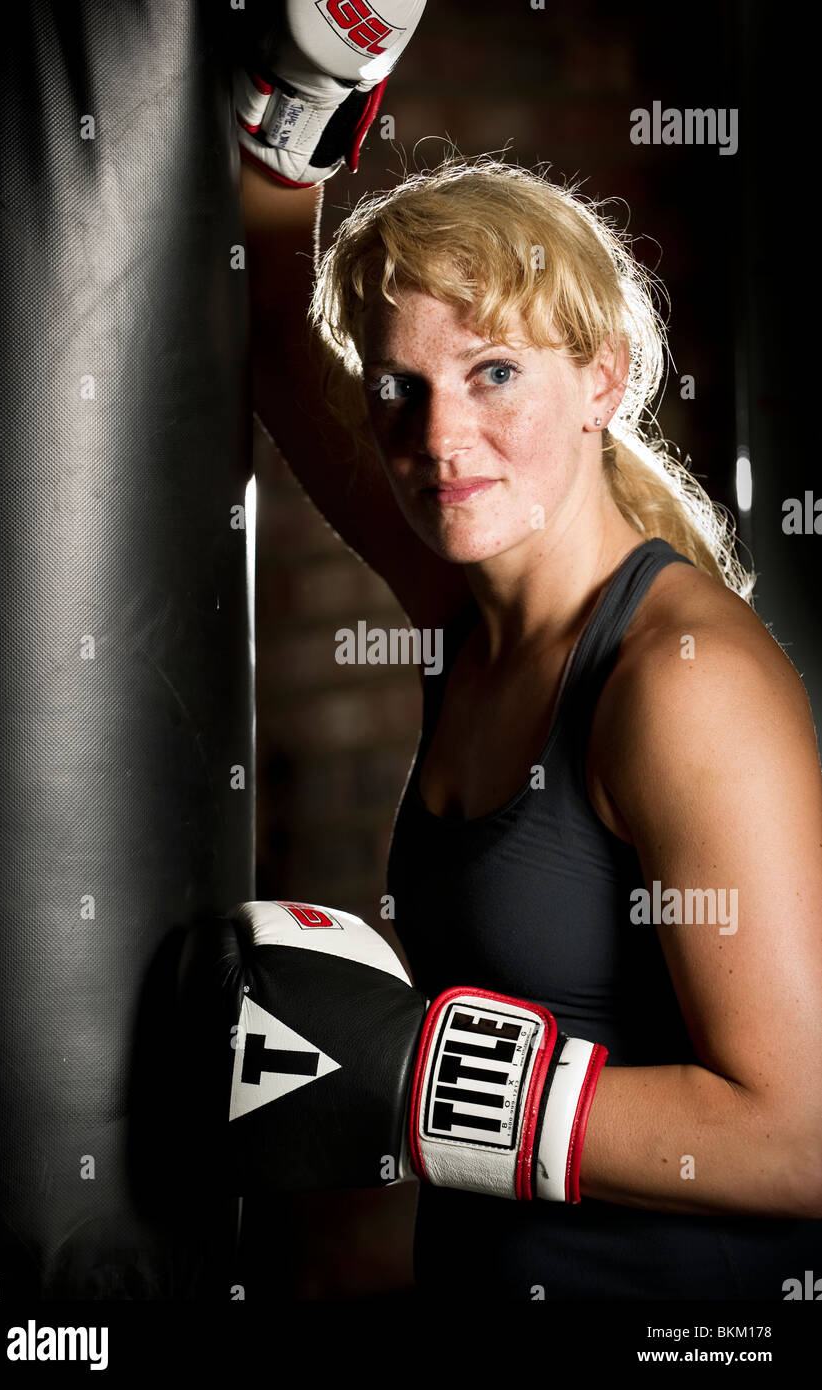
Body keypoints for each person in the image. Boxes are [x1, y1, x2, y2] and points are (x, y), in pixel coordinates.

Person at [243, 147, 822, 1300]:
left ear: (602, 378)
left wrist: (417, 1079)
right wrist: (299, 105)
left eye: (494, 371)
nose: (441, 439)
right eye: (398, 386)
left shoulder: (679, 683)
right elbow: (266, 324)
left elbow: (801, 1139)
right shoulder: (468, 584)